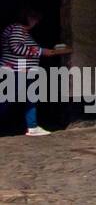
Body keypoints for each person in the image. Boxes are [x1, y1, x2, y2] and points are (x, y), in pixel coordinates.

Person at [2, 7, 65, 137]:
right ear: (28, 18)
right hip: (16, 70)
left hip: (23, 70)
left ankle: (32, 126)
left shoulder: (20, 31)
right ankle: (32, 126)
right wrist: (41, 51)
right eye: (35, 19)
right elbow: (16, 47)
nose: (36, 22)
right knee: (8, 98)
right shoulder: (18, 29)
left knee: (30, 98)